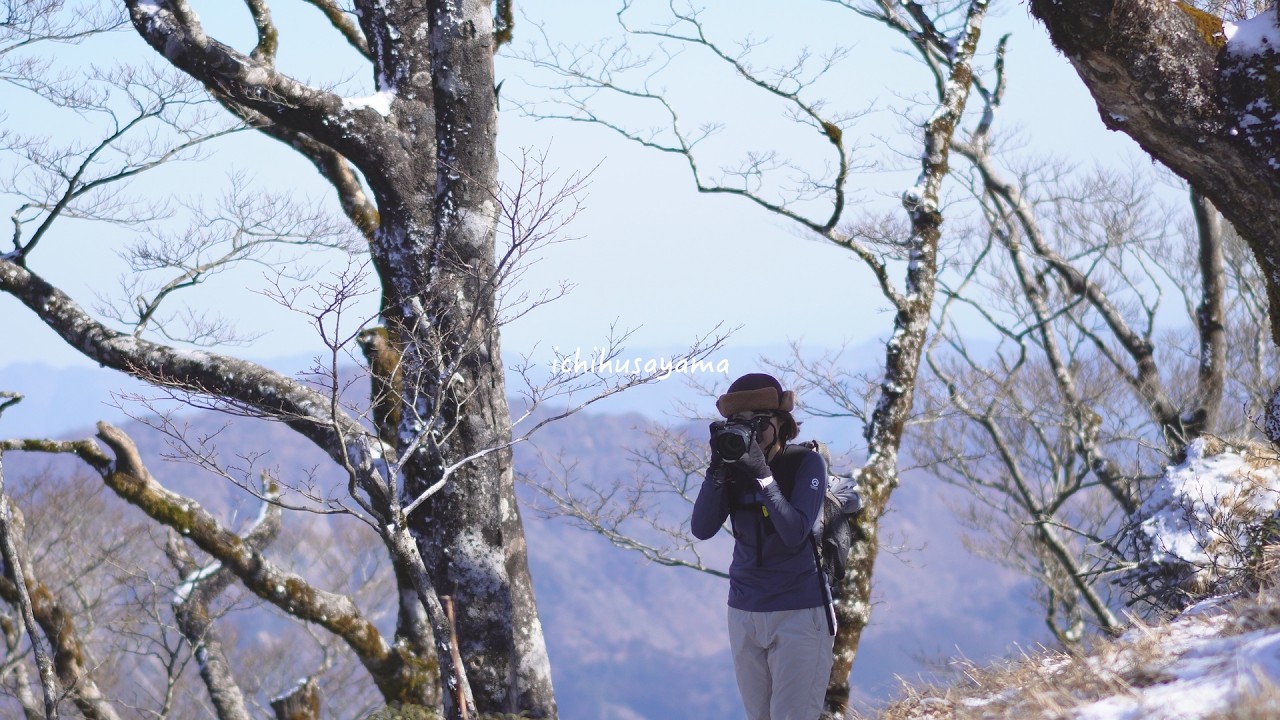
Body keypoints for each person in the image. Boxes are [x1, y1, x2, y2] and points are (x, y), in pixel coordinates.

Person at [691, 373, 834, 720]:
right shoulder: (731, 468)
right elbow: (702, 528)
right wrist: (716, 471)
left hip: (799, 612)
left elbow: (794, 531)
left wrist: (762, 475)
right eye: (738, 423)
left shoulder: (805, 463)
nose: (749, 432)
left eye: (757, 422)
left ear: (782, 424)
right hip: (744, 612)